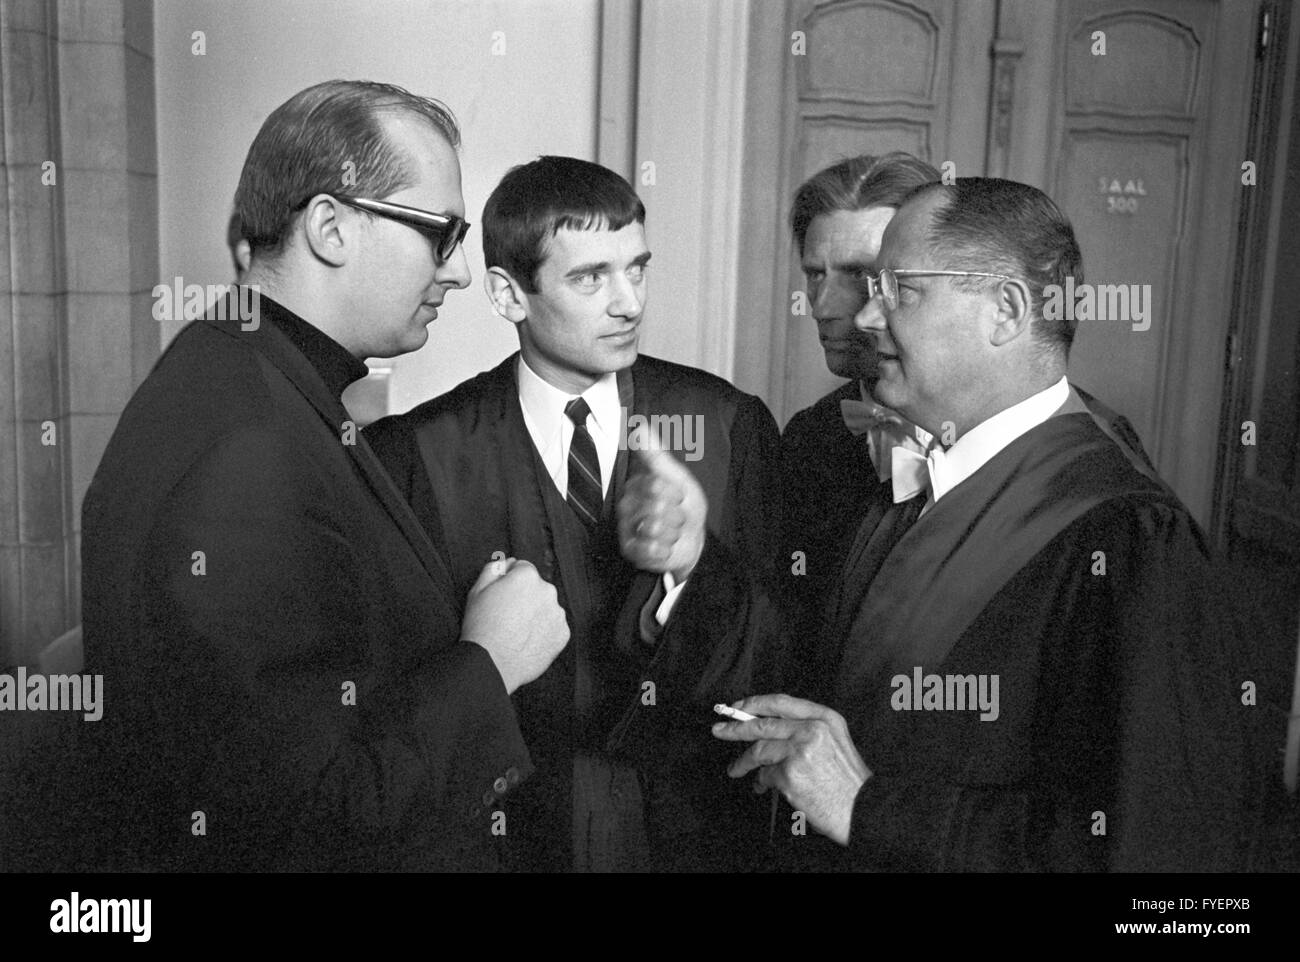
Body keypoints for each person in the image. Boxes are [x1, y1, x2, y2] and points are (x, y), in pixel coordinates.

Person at [76, 80, 570, 872]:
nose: (461, 274)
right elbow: (305, 825)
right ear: (331, 227)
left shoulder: (239, 371)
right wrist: (489, 661)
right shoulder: (247, 446)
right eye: (441, 234)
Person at [714, 178, 1259, 871]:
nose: (866, 319)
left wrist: (865, 806)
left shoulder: (1128, 539)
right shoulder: (907, 482)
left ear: (1006, 311)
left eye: (901, 291)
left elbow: (1156, 857)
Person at [365, 156, 783, 871]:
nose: (629, 303)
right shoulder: (415, 454)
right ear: (508, 294)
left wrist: (691, 569)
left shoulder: (727, 425)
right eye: (590, 277)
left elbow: (782, 653)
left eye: (638, 269)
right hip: (506, 846)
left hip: (688, 842)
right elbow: (396, 705)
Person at [779, 154, 937, 684]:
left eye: (858, 275)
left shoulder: (1025, 440)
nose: (823, 306)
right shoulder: (809, 437)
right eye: (814, 275)